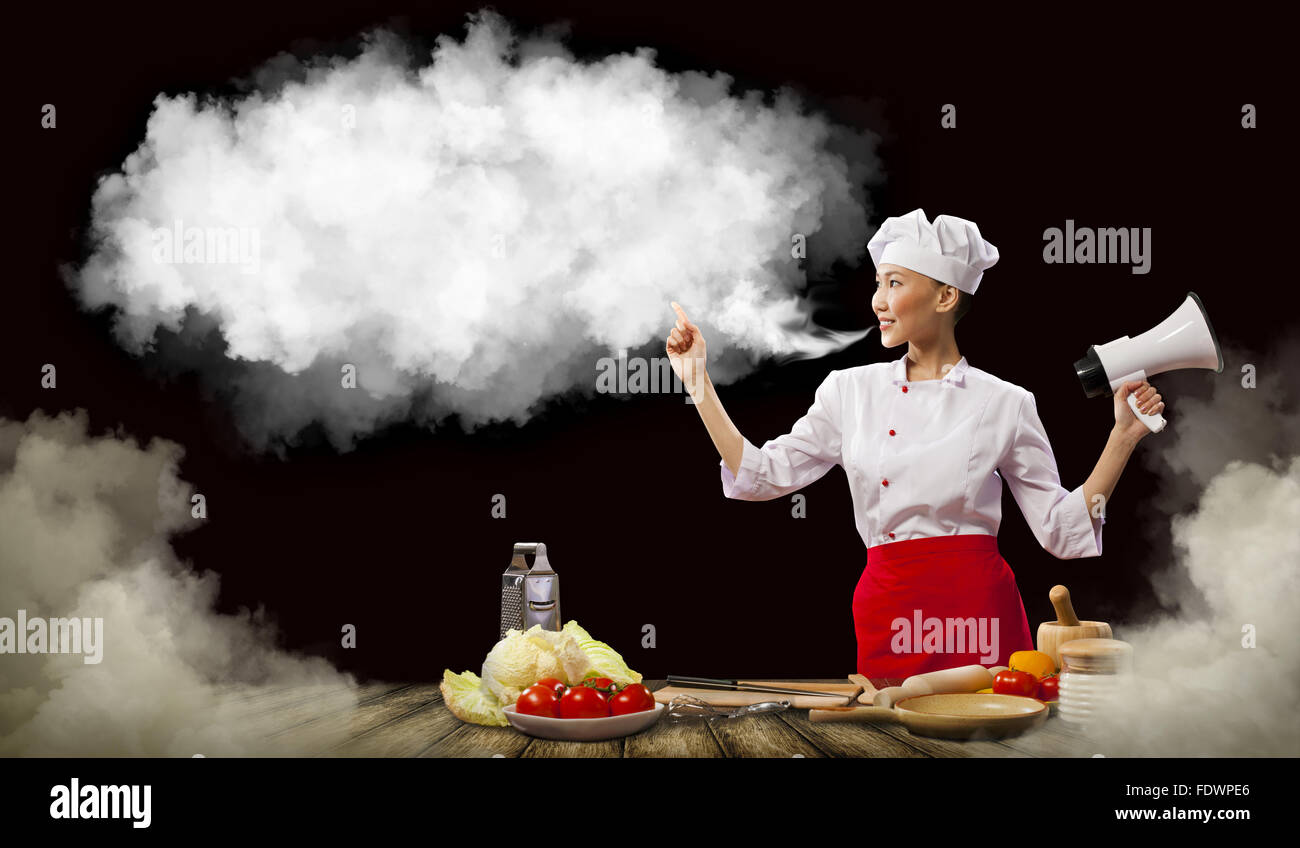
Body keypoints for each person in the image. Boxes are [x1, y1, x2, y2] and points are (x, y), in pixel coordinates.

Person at [665, 209, 1164, 685]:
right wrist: (698, 383)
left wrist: (1121, 437)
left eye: (895, 283)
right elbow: (762, 475)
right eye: (878, 284)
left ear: (946, 296)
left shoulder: (1007, 403)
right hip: (888, 611)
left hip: (979, 614)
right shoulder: (848, 390)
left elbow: (1059, 530)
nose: (878, 301)